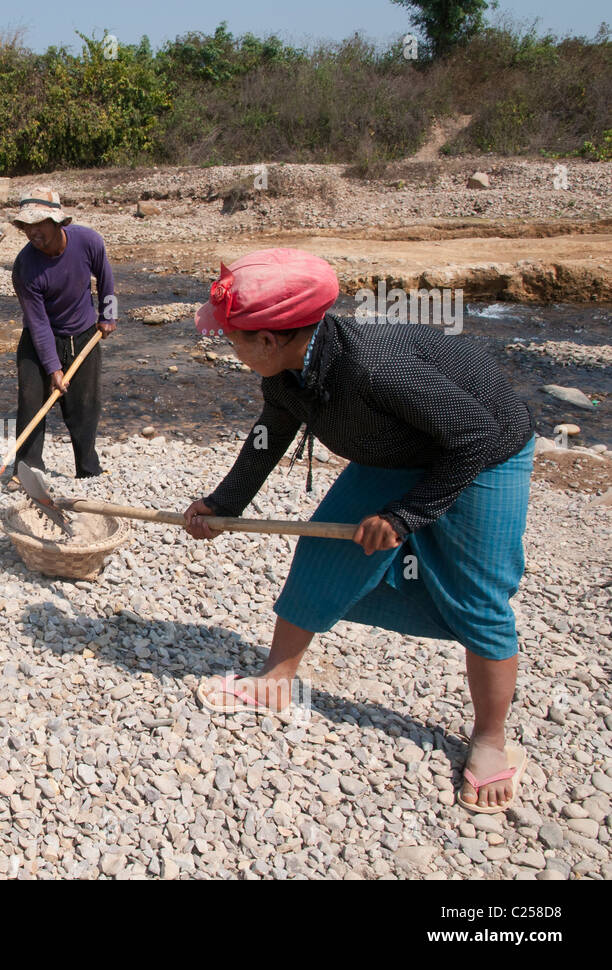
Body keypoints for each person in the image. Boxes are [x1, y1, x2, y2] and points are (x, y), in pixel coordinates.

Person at [180, 248, 537, 815]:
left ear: (270, 340)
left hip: (487, 448)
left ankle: (490, 739)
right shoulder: (291, 368)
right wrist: (222, 505)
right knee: (324, 549)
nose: (229, 347)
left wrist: (403, 517)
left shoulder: (371, 367)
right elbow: (271, 433)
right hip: (396, 445)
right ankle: (277, 677)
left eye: (232, 338)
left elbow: (474, 437)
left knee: (480, 597)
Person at [10, 188, 116, 478]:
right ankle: (28, 470)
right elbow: (38, 322)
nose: (32, 232)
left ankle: (87, 469)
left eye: (39, 224)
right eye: (26, 226)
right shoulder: (24, 267)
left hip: (83, 334)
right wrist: (53, 368)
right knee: (32, 403)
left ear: (57, 222)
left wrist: (108, 314)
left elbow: (106, 278)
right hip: (39, 338)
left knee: (85, 405)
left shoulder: (88, 241)